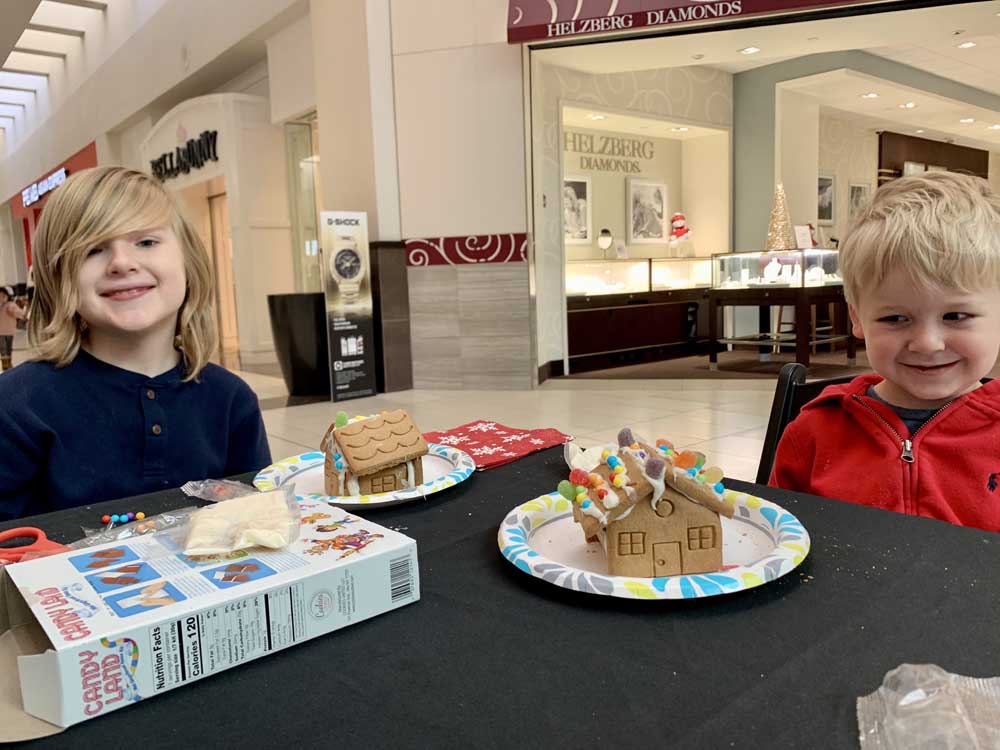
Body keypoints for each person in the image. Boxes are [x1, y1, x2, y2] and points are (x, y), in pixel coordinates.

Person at [0, 167, 271, 521]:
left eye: (146, 242)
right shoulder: (18, 406)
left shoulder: (231, 399)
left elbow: (261, 527)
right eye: (93, 249)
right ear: (59, 276)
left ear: (188, 260)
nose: (122, 263)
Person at [770, 171, 1000, 532]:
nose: (927, 343)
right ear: (858, 319)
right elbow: (781, 544)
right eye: (895, 318)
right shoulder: (814, 432)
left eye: (955, 315)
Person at [0, 286, 25, 371]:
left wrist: (23, 315)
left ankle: (9, 363)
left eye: (3, 296)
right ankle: (5, 365)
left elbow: (18, 313)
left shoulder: (10, 305)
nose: (1, 298)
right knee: (3, 348)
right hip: (1, 332)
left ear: (8, 296)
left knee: (9, 348)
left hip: (10, 331)